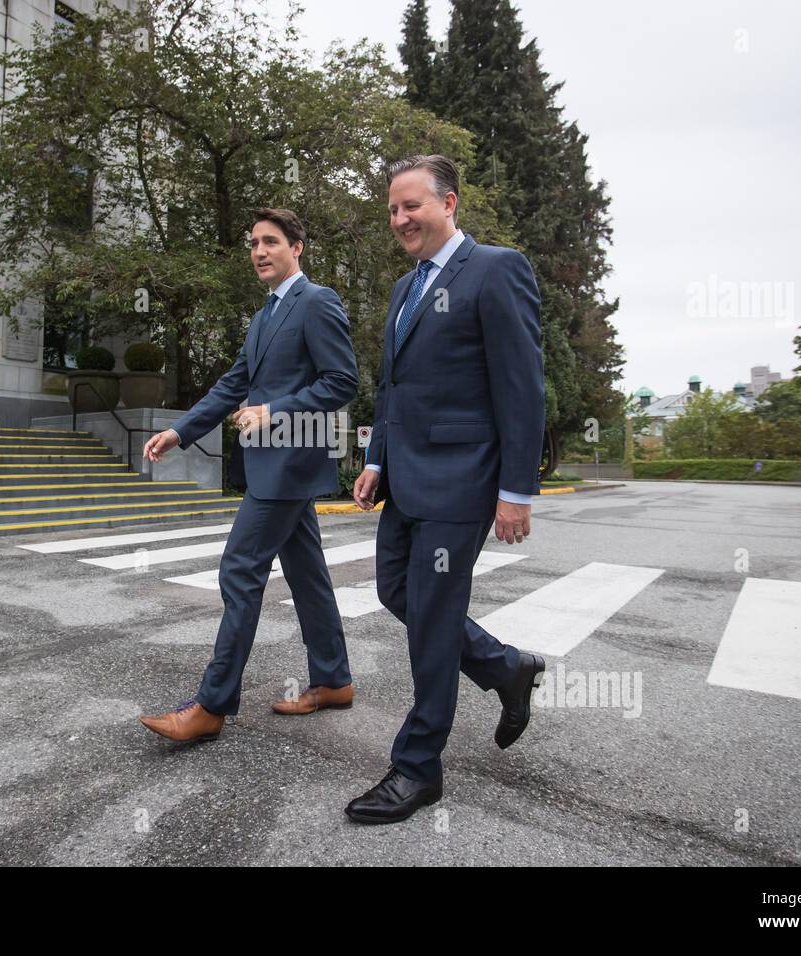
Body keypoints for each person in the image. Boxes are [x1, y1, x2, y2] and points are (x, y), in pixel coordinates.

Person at [345, 155, 547, 824]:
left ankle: (417, 766)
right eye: (393, 210)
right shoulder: (404, 288)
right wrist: (375, 456)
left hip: (463, 480)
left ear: (449, 203)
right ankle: (503, 668)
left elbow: (520, 385)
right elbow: (392, 387)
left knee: (430, 616)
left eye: (413, 206)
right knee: (394, 591)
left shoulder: (496, 269)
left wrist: (516, 488)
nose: (401, 219)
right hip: (405, 476)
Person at [138, 208, 358, 742]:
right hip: (276, 466)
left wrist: (275, 410)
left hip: (290, 461)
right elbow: (232, 383)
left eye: (270, 242)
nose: (259, 252)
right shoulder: (264, 317)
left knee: (240, 570)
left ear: (296, 247)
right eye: (253, 243)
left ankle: (212, 705)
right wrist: (182, 431)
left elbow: (341, 381)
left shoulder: (316, 302)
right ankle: (333, 680)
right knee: (307, 575)